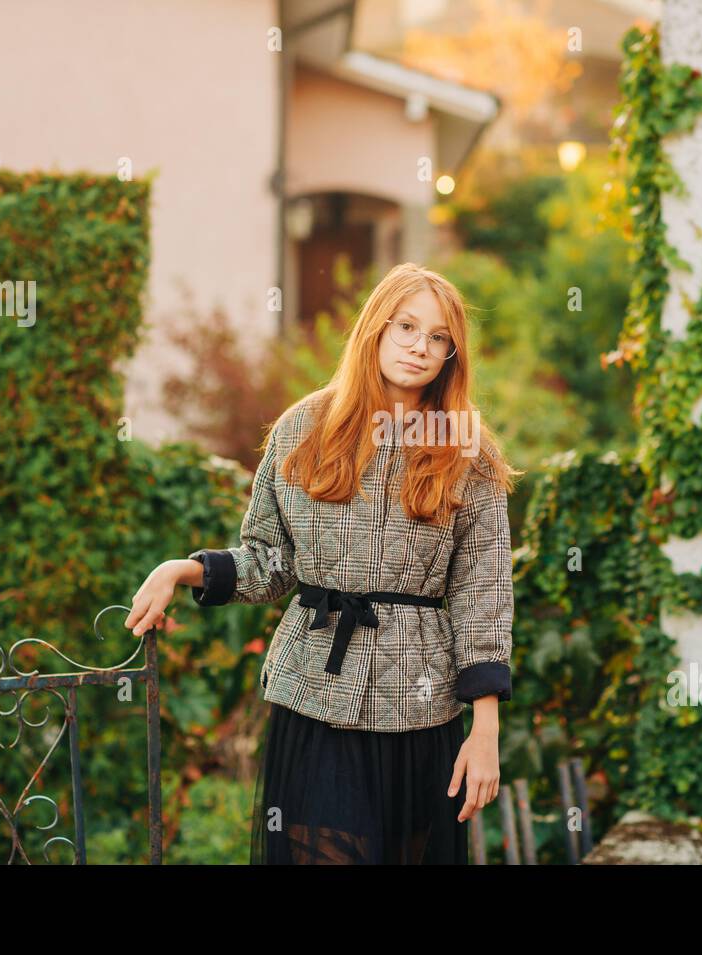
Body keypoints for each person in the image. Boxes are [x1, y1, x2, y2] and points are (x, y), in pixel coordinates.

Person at [125, 262, 521, 864]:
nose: (420, 346)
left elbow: (483, 591)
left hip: (419, 708)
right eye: (406, 326)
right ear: (375, 330)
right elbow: (268, 561)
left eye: (439, 337)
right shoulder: (303, 429)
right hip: (314, 698)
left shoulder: (470, 451)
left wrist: (485, 731)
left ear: (452, 354)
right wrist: (184, 569)